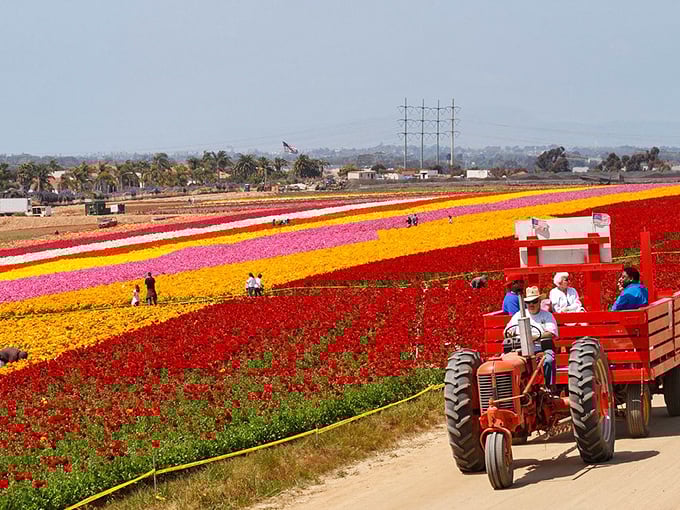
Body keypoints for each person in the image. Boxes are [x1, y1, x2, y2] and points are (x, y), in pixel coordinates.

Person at [504, 286, 558, 387]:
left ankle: (550, 387)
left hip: (541, 348)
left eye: (534, 301)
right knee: (504, 363)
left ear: (539, 302)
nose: (531, 304)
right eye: (529, 302)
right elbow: (506, 332)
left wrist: (534, 337)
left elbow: (551, 333)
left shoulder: (547, 316)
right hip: (519, 349)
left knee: (549, 360)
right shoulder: (518, 315)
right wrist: (510, 334)